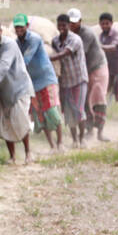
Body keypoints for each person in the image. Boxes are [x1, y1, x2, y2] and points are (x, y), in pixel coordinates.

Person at [0, 19, 34, 165]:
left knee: (21, 121)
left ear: (0, 31)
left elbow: (4, 65)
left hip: (19, 89)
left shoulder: (10, 45)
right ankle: (12, 157)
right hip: (2, 93)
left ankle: (28, 153)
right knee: (6, 125)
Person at [15, 13, 63, 149]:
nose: (19, 29)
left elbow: (26, 59)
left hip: (46, 79)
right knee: (39, 115)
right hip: (32, 83)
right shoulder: (16, 43)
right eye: (17, 27)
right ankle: (52, 145)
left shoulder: (34, 39)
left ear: (27, 26)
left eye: (21, 26)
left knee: (52, 111)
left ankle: (60, 143)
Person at [68, 9, 109, 141]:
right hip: (84, 71)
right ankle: (89, 130)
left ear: (80, 21)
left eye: (75, 22)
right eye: (70, 22)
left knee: (99, 99)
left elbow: (80, 53)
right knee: (85, 100)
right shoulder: (68, 35)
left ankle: (100, 133)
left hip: (97, 68)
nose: (72, 25)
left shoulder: (86, 34)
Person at [50, 13, 89, 148]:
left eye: (64, 25)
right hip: (65, 81)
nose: (61, 28)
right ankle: (74, 140)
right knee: (69, 112)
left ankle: (82, 138)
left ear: (69, 26)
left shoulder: (75, 39)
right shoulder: (55, 41)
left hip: (79, 79)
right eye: (59, 25)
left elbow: (65, 53)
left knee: (78, 109)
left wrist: (49, 58)